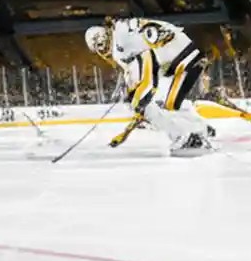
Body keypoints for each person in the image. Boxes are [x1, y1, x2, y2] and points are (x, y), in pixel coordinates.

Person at [84, 17, 213, 156]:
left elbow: (146, 58)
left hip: (179, 56)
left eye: (100, 46)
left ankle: (184, 136)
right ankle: (200, 128)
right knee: (164, 103)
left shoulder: (121, 44)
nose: (103, 51)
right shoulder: (121, 33)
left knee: (149, 105)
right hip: (183, 54)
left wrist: (140, 94)